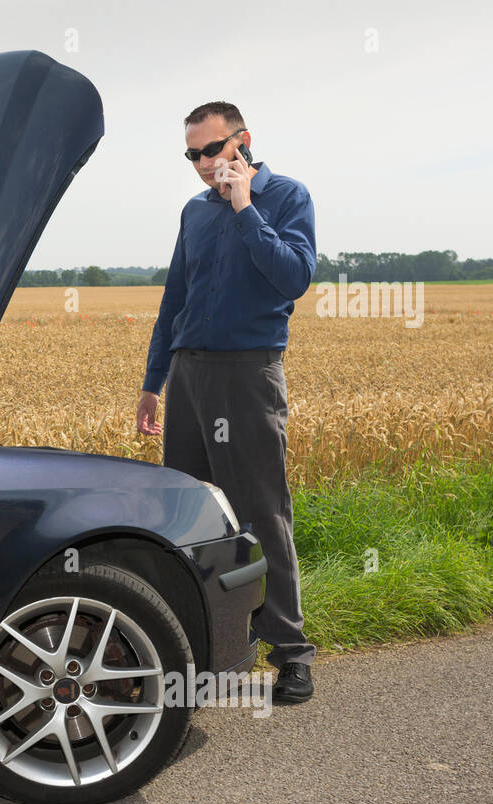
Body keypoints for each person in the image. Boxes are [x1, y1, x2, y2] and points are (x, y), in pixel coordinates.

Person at [135, 101, 317, 702]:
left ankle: (289, 651)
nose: (203, 164)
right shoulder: (192, 212)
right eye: (192, 155)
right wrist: (152, 382)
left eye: (212, 150)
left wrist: (244, 209)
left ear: (242, 142)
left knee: (262, 513)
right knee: (188, 514)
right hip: (189, 374)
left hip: (247, 375)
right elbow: (175, 299)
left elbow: (293, 276)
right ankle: (203, 648)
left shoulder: (287, 197)